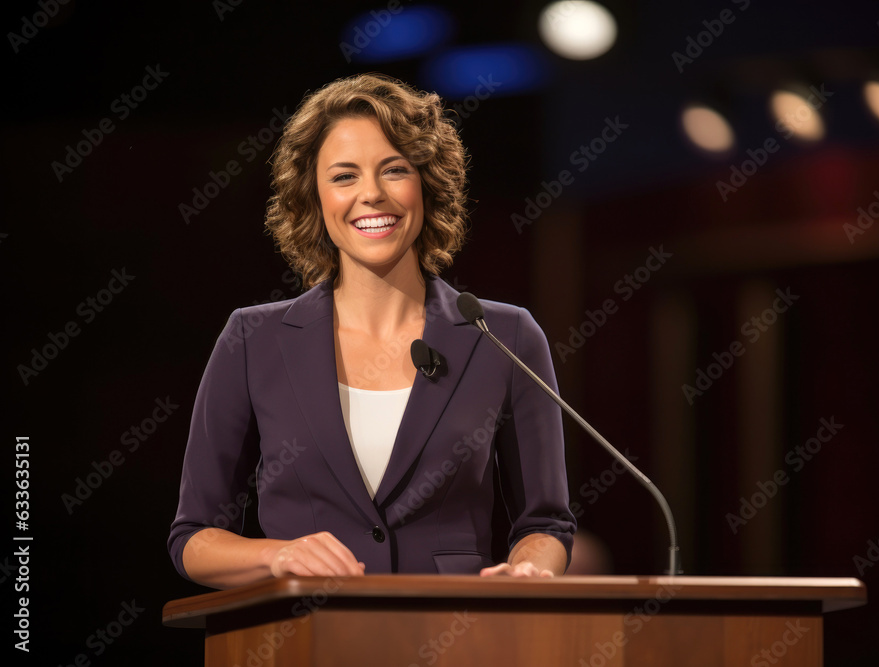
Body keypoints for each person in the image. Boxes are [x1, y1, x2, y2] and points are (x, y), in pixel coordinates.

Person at [167, 73, 576, 589]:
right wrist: (279, 556)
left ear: (426, 184)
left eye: (394, 170)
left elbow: (545, 524)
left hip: (453, 637)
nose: (372, 195)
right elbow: (194, 537)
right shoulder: (253, 341)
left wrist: (528, 569)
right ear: (313, 197)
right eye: (344, 176)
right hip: (303, 639)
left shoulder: (504, 337)